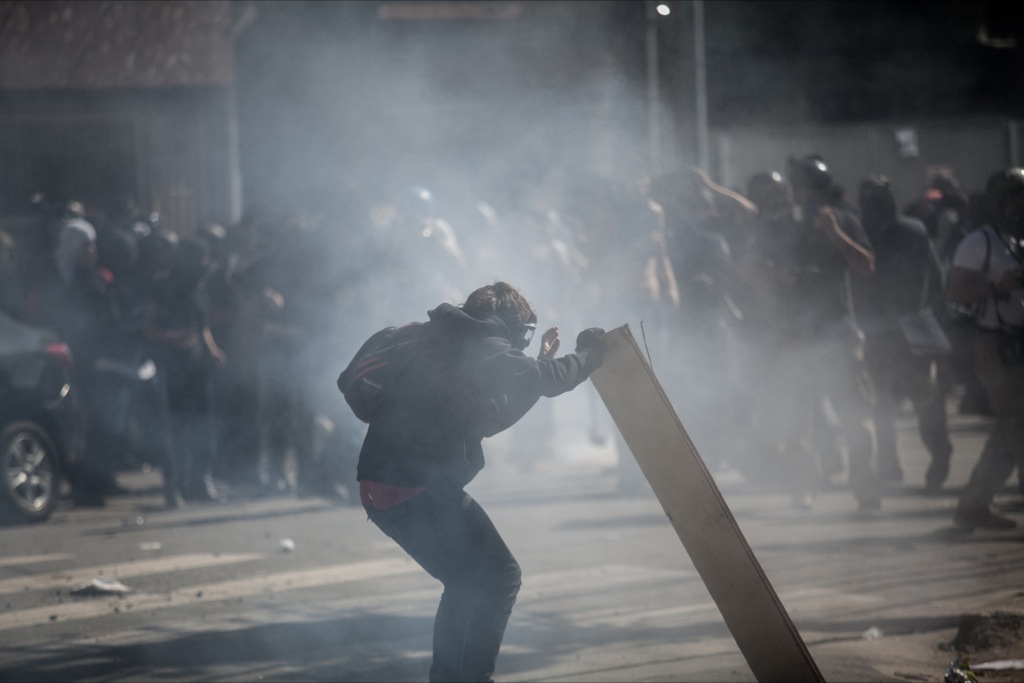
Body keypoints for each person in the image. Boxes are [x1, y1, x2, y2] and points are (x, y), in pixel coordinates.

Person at [352, 282, 605, 683]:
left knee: (466, 580)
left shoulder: (439, 336)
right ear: (504, 323)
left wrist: (534, 369)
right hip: (414, 490)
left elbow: (493, 418)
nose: (519, 345)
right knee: (501, 576)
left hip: (382, 487)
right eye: (521, 333)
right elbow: (553, 378)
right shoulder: (481, 344)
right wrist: (592, 352)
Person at [852, 176, 953, 491]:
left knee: (919, 398)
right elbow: (937, 280)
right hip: (881, 330)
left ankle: (935, 451)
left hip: (905, 327)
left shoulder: (910, 231)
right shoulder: (863, 233)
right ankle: (890, 461)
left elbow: (935, 280)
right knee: (885, 400)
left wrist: (933, 318)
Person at [948, 167, 1024, 530]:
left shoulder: (1018, 242)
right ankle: (974, 502)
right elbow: (955, 292)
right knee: (1014, 424)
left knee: (1014, 427)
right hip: (995, 344)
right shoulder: (980, 242)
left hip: (1019, 341)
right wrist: (996, 288)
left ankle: (975, 502)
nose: (1019, 207)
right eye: (1013, 199)